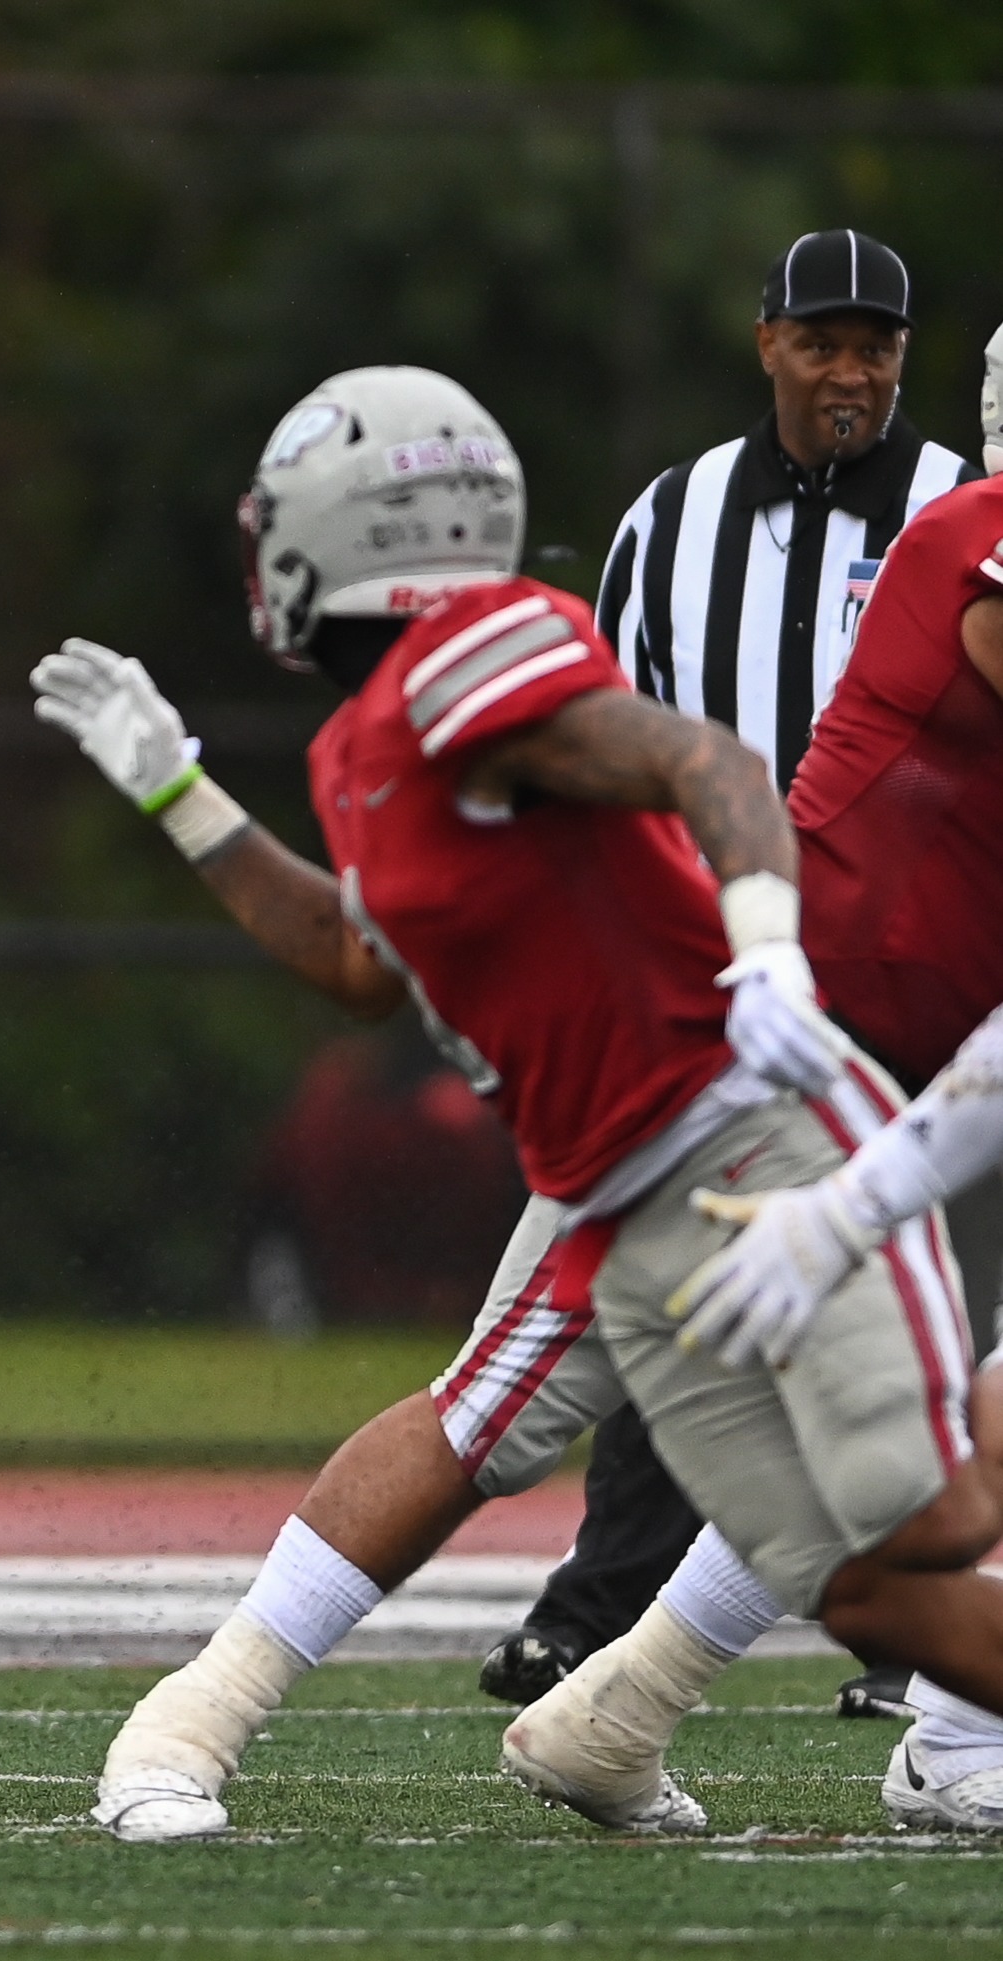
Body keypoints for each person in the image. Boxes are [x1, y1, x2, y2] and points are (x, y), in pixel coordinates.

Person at [33, 364, 1000, 1844]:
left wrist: (756, 944)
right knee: (817, 1546)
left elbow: (703, 757)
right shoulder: (360, 744)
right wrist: (184, 798)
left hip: (733, 1120)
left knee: (902, 1534)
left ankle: (216, 1719)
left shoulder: (475, 648)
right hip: (619, 1174)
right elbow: (363, 965)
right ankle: (478, 1723)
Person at [495, 230, 990, 1717]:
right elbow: (623, 724)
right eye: (824, 339)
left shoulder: (958, 504)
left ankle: (908, 1634)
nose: (852, 370)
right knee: (693, 1268)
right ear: (767, 340)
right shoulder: (676, 513)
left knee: (916, 1284)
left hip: (930, 951)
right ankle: (610, 1604)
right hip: (728, 953)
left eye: (878, 344)